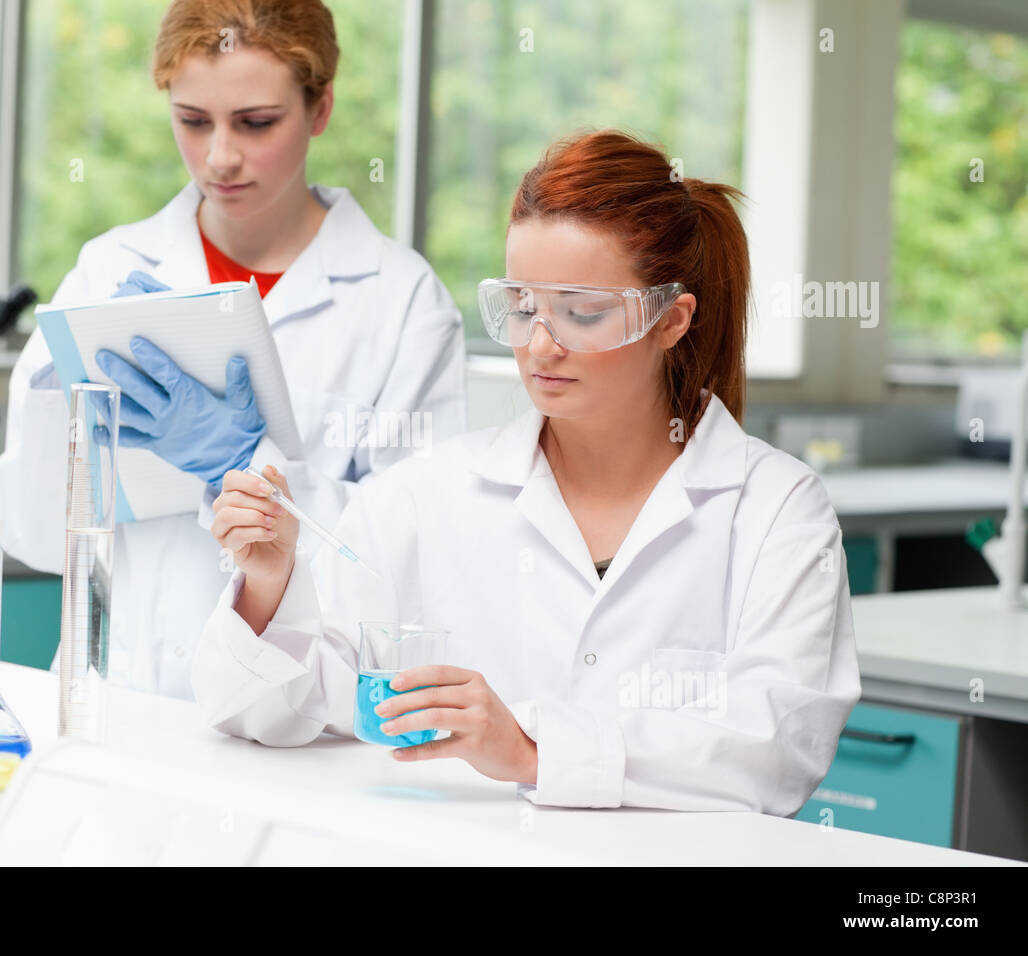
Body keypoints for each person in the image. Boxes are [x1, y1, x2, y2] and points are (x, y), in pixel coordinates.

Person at [196, 129, 861, 814]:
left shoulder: (776, 509)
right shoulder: (424, 498)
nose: (541, 344)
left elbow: (779, 747)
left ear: (671, 320)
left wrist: (534, 752)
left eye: (582, 312)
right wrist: (267, 588)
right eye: (521, 307)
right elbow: (268, 712)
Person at [0, 0, 466, 698]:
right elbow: (28, 536)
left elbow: (411, 572)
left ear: (321, 107)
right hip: (118, 703)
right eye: (192, 121)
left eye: (256, 122)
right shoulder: (107, 269)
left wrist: (247, 465)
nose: (219, 157)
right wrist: (52, 415)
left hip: (290, 714)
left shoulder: (401, 303)